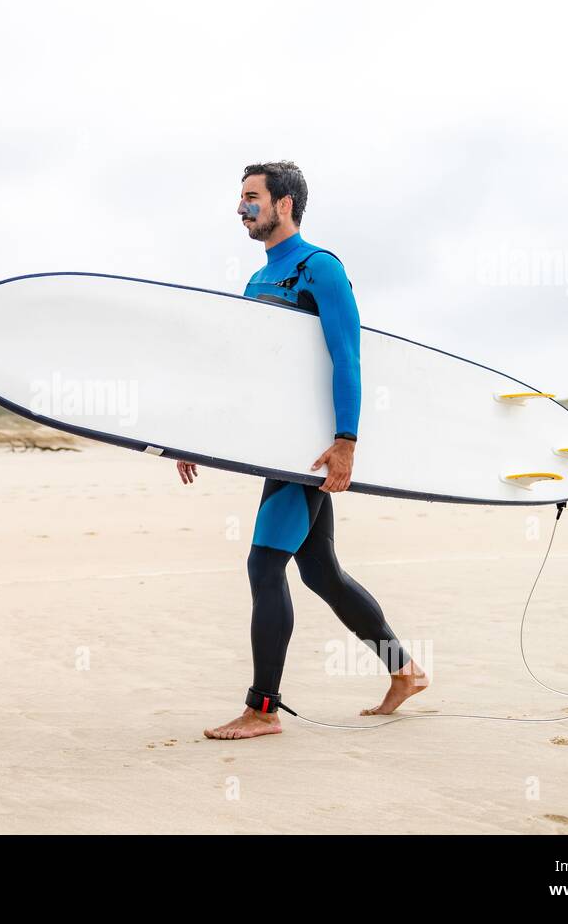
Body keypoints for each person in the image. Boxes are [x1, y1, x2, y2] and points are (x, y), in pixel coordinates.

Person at [188, 161, 428, 740]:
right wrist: (196, 436)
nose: (241, 208)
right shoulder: (257, 281)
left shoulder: (320, 269)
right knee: (321, 571)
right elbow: (253, 376)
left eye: (252, 198)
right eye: (240, 198)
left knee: (265, 564)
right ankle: (405, 671)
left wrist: (346, 443)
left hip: (308, 451)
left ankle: (262, 709)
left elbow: (348, 357)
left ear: (285, 204)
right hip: (279, 448)